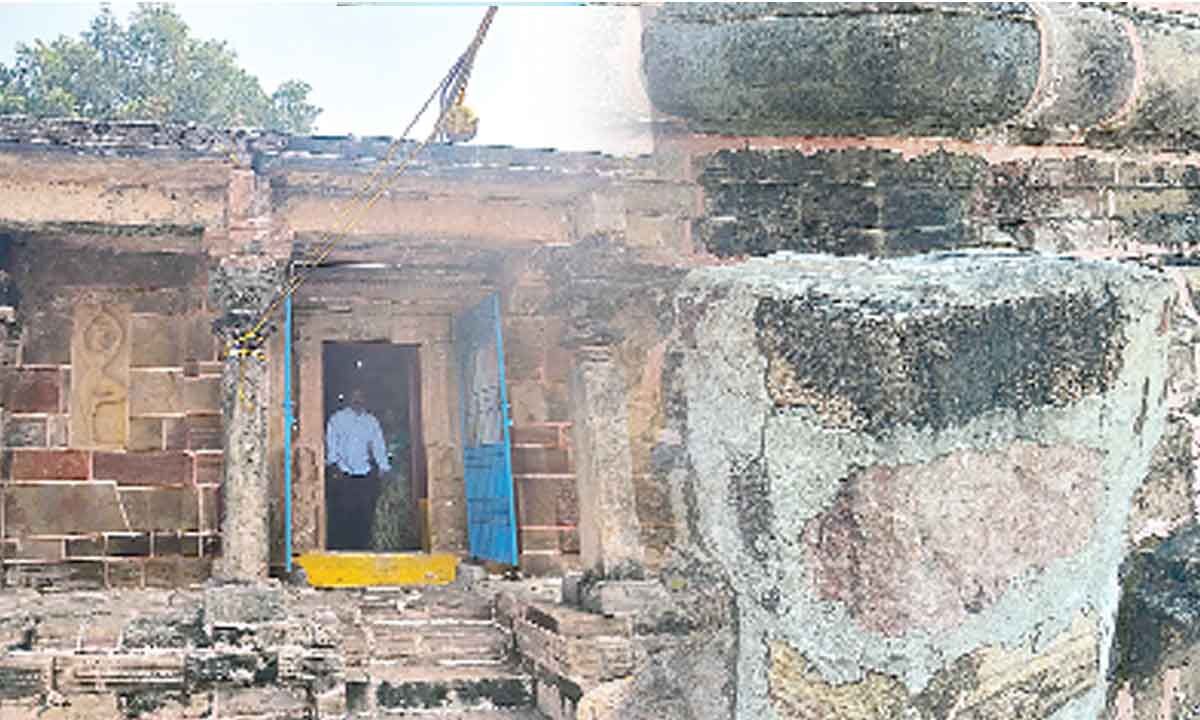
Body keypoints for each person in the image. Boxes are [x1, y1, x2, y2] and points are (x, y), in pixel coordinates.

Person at [325, 388, 391, 550]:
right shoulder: (337, 419)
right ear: (349, 398)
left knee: (364, 512)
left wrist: (383, 466)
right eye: (355, 396)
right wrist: (334, 464)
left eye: (361, 397)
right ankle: (342, 546)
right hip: (343, 473)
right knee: (343, 511)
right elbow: (331, 442)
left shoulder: (371, 421)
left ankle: (361, 546)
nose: (358, 400)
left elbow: (378, 444)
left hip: (365, 473)